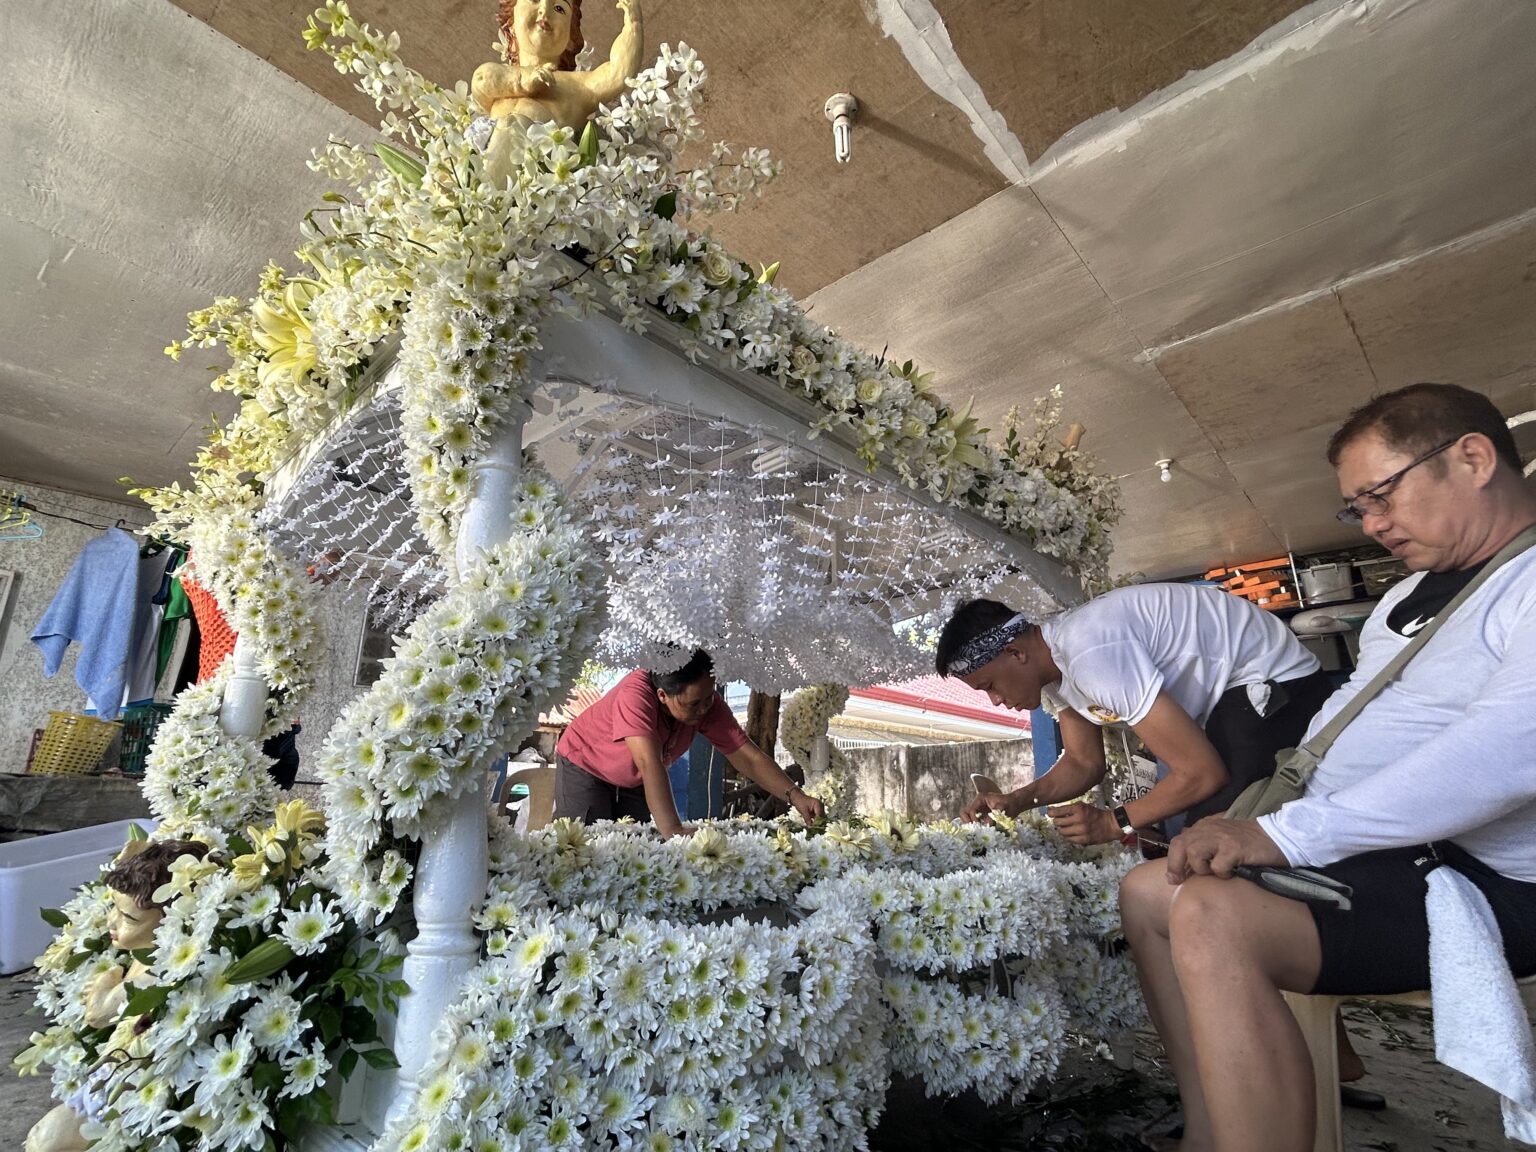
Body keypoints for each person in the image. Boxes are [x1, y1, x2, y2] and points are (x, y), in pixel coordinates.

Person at [1119, 382, 1536, 1152]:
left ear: (1474, 459)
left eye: (1382, 495)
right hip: (1411, 851)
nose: (1373, 523)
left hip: (1502, 880)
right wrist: (1265, 814)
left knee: (1212, 913)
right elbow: (1349, 718)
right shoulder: (1404, 599)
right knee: (1149, 891)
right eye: (1358, 509)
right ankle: (1210, 1133)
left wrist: (1286, 836)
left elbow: (1508, 749)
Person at [937, 585, 1334, 847]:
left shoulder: (1088, 652)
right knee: (1188, 840)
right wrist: (1016, 800)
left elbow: (1200, 773)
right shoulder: (1056, 670)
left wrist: (1113, 823)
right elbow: (1083, 763)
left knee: (1207, 843)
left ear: (1015, 653)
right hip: (1228, 703)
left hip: (1275, 682)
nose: (995, 701)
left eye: (989, 685)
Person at [26, 839, 210, 1152]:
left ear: (174, 921)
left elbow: (96, 1015)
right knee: (43, 1137)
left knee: (48, 1142)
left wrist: (107, 979)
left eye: (129, 918)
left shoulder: (156, 975)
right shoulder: (141, 955)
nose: (112, 921)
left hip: (123, 1094)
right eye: (114, 906)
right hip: (109, 1074)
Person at [552, 649, 824, 835]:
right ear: (662, 696)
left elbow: (748, 757)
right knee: (585, 842)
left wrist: (796, 796)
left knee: (632, 843)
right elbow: (649, 763)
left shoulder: (706, 703)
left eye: (709, 698)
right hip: (585, 764)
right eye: (694, 704)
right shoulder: (635, 695)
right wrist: (674, 831)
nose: (704, 709)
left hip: (634, 777)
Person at [472, 0, 644, 185]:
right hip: (483, 164)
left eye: (559, 8)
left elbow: (617, 72)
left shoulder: (578, 86)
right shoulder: (497, 72)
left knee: (515, 126)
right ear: (511, 22)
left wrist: (633, 25)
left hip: (537, 181)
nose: (545, 10)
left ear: (570, 40)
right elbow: (482, 80)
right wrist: (523, 81)